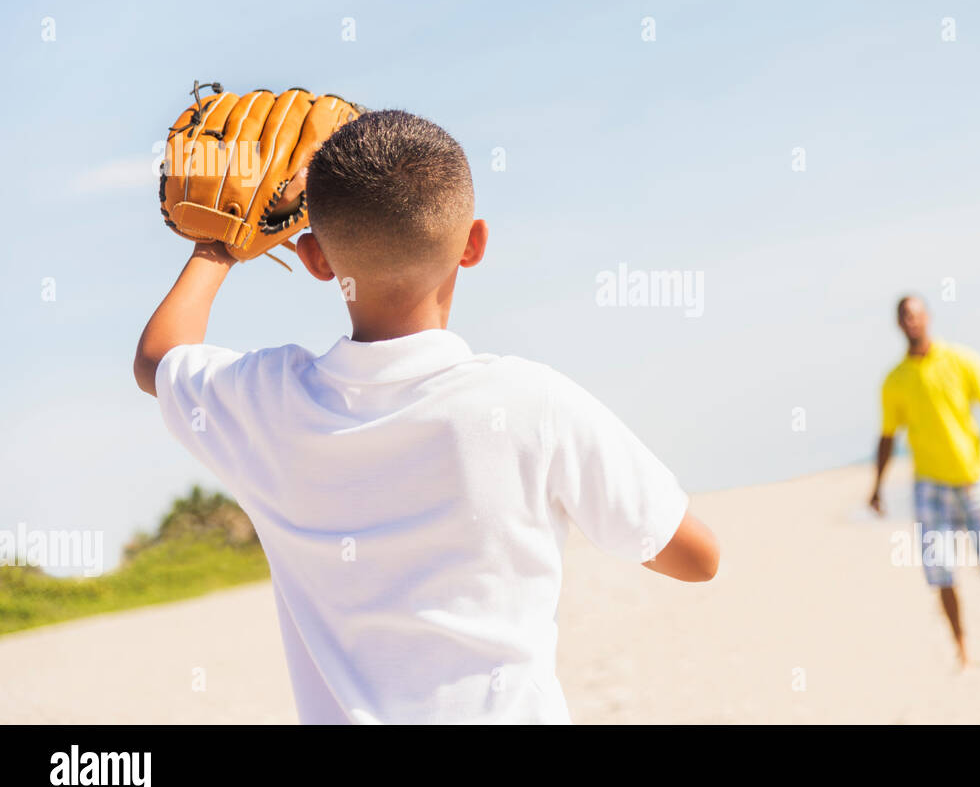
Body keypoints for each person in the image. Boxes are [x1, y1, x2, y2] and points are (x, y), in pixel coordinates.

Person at [134, 110, 719, 723]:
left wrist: (219, 244)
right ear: (474, 243)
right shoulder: (532, 403)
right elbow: (697, 558)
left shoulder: (269, 404)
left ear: (315, 260)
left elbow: (157, 360)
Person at [869, 295, 980, 668]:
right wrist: (876, 488)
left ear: (928, 317)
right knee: (941, 572)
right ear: (899, 325)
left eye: (915, 314)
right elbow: (888, 438)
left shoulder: (963, 360)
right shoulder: (894, 381)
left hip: (975, 477)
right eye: (904, 317)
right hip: (930, 486)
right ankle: (963, 652)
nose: (911, 321)